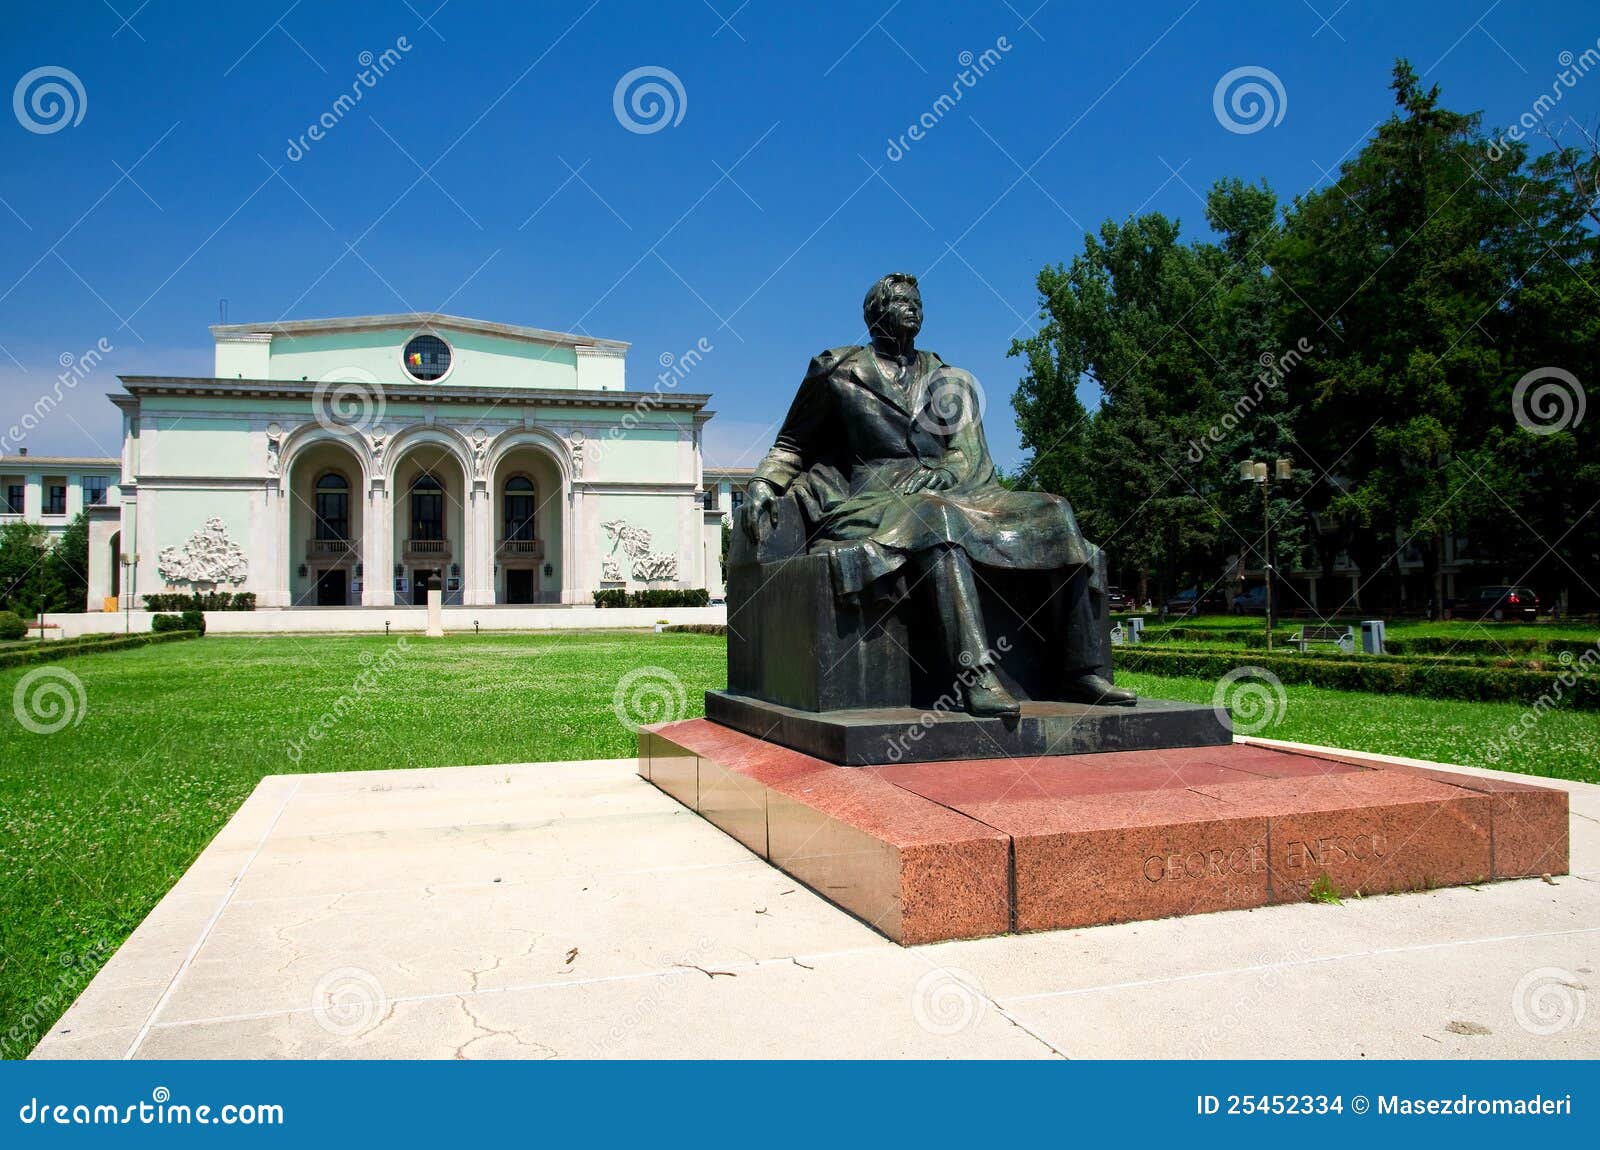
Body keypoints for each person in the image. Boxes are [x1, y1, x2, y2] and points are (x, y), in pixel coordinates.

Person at [743, 272, 1135, 716]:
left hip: (952, 489)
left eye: (918, 302)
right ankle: (976, 676)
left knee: (1055, 510)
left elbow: (965, 454)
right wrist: (762, 483)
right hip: (872, 500)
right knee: (936, 518)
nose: (914, 308)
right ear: (875, 314)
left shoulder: (950, 380)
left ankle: (1081, 670)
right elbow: (793, 444)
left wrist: (945, 474)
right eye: (902, 302)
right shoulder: (838, 371)